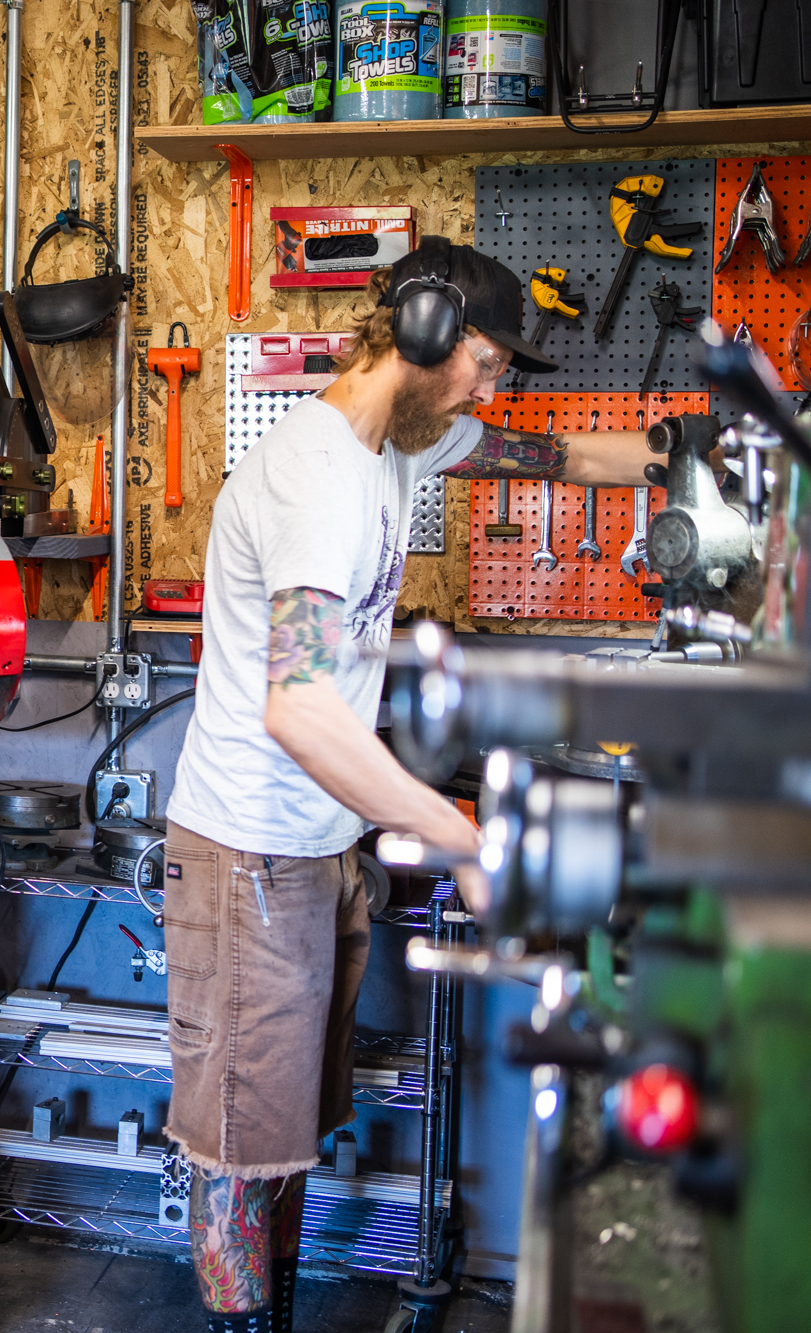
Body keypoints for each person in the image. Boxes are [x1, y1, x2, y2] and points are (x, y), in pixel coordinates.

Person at [160, 237, 667, 1333]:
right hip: (248, 849)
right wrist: (460, 841)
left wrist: (675, 454)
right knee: (238, 1152)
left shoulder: (393, 446)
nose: (488, 391)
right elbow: (295, 707)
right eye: (484, 366)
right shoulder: (317, 478)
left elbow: (552, 458)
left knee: (281, 1137)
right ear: (430, 334)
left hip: (311, 850)